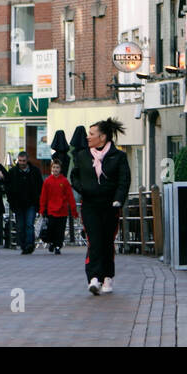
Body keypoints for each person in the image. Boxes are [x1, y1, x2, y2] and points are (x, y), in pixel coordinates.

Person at [69, 119, 130, 295]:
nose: (88, 137)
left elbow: (124, 180)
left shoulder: (118, 156)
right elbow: (75, 176)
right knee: (94, 240)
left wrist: (118, 199)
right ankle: (94, 277)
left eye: (92, 134)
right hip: (90, 205)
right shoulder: (82, 156)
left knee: (107, 241)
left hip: (110, 206)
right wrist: (83, 190)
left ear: (102, 137)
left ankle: (108, 277)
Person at [6, 151, 43, 253]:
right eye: (20, 160)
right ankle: (23, 245)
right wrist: (11, 202)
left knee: (29, 225)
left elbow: (40, 187)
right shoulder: (13, 172)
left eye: (24, 161)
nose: (22, 163)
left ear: (27, 160)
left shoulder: (34, 171)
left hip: (31, 203)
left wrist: (38, 202)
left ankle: (29, 245)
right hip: (18, 204)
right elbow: (8, 188)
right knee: (20, 226)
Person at [38, 157, 77, 254]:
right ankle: (52, 242)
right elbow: (44, 197)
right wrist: (42, 210)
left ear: (60, 169)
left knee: (60, 230)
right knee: (51, 229)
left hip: (62, 211)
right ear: (51, 168)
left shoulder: (64, 181)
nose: (55, 169)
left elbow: (70, 197)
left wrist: (73, 211)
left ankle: (58, 246)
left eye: (57, 168)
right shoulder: (47, 181)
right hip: (51, 210)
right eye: (54, 167)